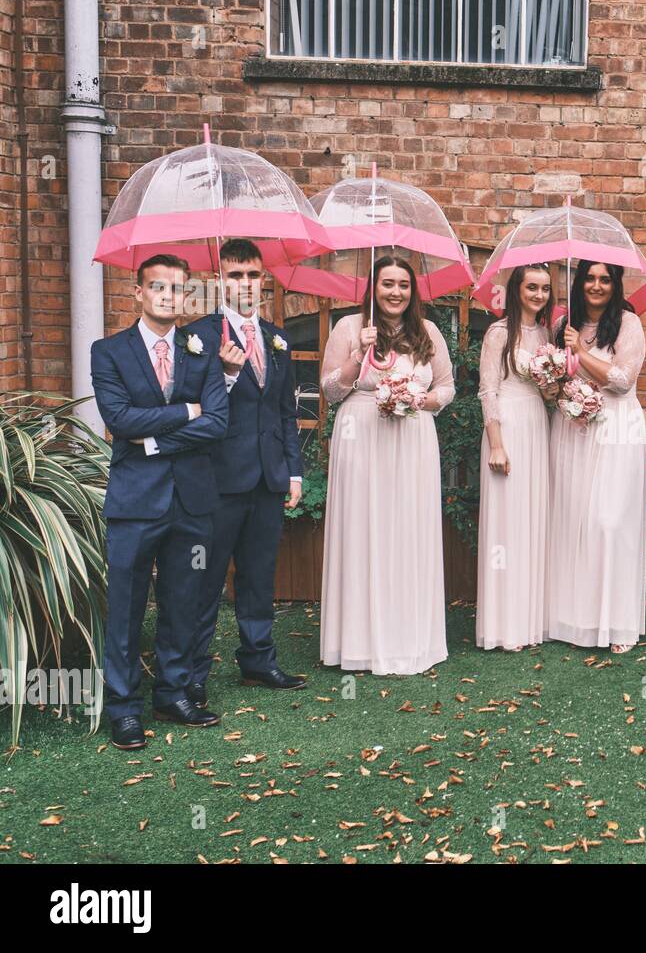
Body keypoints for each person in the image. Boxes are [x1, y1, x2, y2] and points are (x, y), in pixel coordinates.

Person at [90, 254, 228, 749]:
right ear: (139, 293)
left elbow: (217, 423)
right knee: (126, 609)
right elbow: (120, 419)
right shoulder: (107, 352)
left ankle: (173, 693)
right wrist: (185, 410)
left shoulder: (201, 351)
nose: (169, 296)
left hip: (191, 501)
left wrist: (155, 440)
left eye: (177, 288)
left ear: (187, 296)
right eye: (159, 287)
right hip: (134, 503)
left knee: (182, 601)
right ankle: (124, 709)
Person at [318, 256, 456, 675]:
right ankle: (359, 642)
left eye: (403, 285)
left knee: (407, 529)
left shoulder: (428, 331)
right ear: (373, 288)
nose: (395, 292)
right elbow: (329, 389)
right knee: (363, 528)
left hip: (413, 435)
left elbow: (447, 386)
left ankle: (409, 638)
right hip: (361, 432)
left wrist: (424, 400)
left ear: (412, 291)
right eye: (387, 284)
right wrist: (358, 352)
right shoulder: (348, 327)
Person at [188, 239, 307, 709]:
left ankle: (258, 660)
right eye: (235, 275)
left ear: (263, 280)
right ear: (220, 280)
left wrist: (294, 473)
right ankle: (192, 675)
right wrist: (225, 374)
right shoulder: (198, 335)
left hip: (267, 479)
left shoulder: (278, 338)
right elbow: (192, 407)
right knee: (205, 578)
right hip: (217, 480)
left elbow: (285, 413)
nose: (244, 284)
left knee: (259, 574)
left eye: (252, 275)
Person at [546, 260, 646, 653]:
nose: (597, 285)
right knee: (574, 522)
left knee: (609, 522)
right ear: (579, 281)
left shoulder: (627, 323)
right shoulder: (561, 325)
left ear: (615, 284)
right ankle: (575, 619)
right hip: (573, 428)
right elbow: (556, 379)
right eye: (589, 277)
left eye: (605, 279)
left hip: (616, 427)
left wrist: (580, 350)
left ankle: (616, 623)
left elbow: (623, 381)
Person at [476, 265, 554, 651]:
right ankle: (504, 626)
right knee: (507, 523)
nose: (538, 295)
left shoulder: (550, 334)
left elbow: (553, 394)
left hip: (538, 424)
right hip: (507, 426)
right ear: (517, 290)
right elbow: (487, 391)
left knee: (532, 519)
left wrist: (557, 379)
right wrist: (496, 443)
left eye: (545, 289)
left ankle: (531, 619)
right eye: (532, 287)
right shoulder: (498, 333)